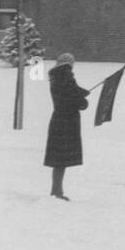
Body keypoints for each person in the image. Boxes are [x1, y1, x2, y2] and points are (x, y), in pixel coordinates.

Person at [45, 52, 89, 200]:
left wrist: (81, 93)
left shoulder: (56, 77)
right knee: (61, 160)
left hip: (58, 120)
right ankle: (57, 192)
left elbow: (69, 93)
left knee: (58, 161)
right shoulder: (66, 75)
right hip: (67, 122)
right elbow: (73, 98)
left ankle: (56, 190)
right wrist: (82, 101)